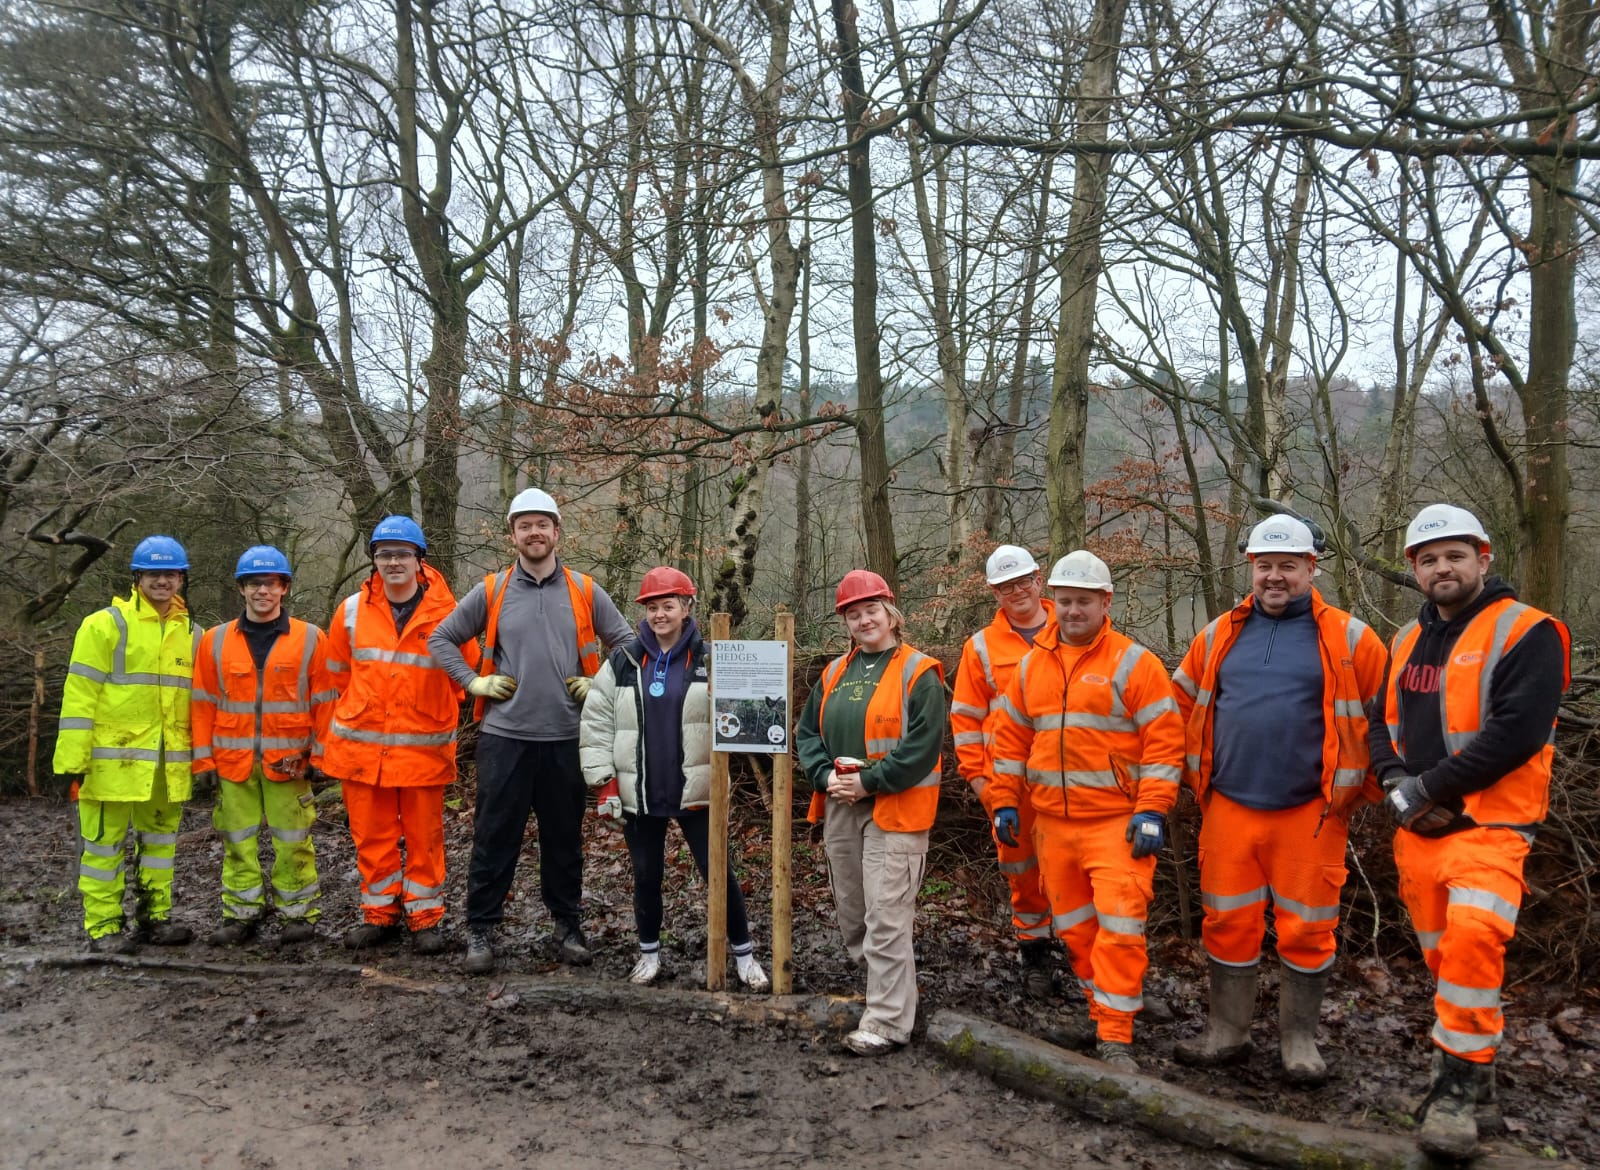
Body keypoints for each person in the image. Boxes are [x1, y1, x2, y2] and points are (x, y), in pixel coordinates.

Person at [1369, 504, 1569, 1159]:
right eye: (1428, 559)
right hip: (1419, 830)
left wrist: (1426, 789)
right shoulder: (1404, 640)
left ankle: (1452, 1094)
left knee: (1474, 946)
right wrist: (1396, 781)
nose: (1441, 567)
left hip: (1491, 825)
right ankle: (1476, 1081)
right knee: (1446, 964)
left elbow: (1517, 732)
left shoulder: (1527, 631)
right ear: (1415, 570)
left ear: (1483, 557)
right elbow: (1380, 721)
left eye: (1454, 555)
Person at [1169, 515, 1388, 1085]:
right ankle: (1228, 1032)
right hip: (1228, 807)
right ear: (1251, 568)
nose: (1274, 577)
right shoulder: (1218, 634)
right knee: (1227, 922)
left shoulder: (1350, 637)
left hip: (1310, 814)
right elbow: (1172, 708)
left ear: (1311, 568)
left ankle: (1298, 1040)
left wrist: (1356, 793)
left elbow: (1388, 721)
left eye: (1287, 566)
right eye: (1264, 566)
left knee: (1309, 928)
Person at [986, 551, 1184, 1072]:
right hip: (1052, 825)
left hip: (1116, 824)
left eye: (1084, 601)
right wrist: (1004, 799)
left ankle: (1115, 1037)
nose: (1073, 611)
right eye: (1067, 601)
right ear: (1056, 602)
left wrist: (1152, 811)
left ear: (1105, 602)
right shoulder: (1033, 665)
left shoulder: (1134, 663)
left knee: (1119, 930)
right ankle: (1103, 1013)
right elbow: (1008, 739)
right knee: (1076, 930)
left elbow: (1164, 745)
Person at [429, 488, 631, 974]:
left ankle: (567, 926)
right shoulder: (492, 590)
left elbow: (627, 641)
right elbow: (441, 638)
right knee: (494, 834)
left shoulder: (584, 589)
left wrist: (602, 681)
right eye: (524, 525)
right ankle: (481, 928)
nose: (534, 532)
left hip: (568, 736)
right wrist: (473, 680)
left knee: (564, 839)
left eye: (543, 524)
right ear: (512, 535)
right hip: (505, 737)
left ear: (557, 533)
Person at [577, 566, 770, 991]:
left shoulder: (712, 658)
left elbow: (747, 719)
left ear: (687, 607)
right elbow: (595, 724)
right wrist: (603, 781)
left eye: (669, 605)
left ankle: (744, 956)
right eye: (652, 607)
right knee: (646, 874)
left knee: (717, 871)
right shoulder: (624, 661)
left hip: (696, 788)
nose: (660, 614)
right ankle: (648, 954)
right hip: (639, 791)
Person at [796, 570, 944, 1056]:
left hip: (895, 808)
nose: (864, 620)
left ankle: (887, 1022)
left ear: (890, 613)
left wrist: (870, 782)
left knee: (887, 916)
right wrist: (824, 777)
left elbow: (921, 747)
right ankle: (893, 994)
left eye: (871, 611)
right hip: (841, 804)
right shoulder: (835, 672)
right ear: (846, 622)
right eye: (853, 614)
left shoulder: (919, 672)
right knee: (854, 915)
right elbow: (807, 734)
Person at [323, 516, 479, 955]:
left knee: (425, 837)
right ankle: (379, 914)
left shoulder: (449, 614)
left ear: (419, 560)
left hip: (422, 750)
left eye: (402, 554)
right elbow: (337, 675)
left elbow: (463, 674)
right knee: (372, 836)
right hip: (361, 749)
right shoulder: (351, 611)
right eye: (384, 554)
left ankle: (424, 918)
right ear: (373, 561)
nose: (393, 562)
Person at [54, 535, 199, 953]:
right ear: (137, 578)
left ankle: (155, 919)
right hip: (109, 763)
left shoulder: (191, 632)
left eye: (170, 574)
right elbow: (80, 695)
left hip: (165, 762)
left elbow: (197, 702)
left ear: (181, 579)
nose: (162, 582)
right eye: (154, 574)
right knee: (104, 847)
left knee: (159, 845)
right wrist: (73, 759)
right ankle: (103, 927)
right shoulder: (104, 625)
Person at [192, 546, 337, 945]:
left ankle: (299, 914)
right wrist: (202, 762)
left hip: (289, 763)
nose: (262, 591)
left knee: (294, 841)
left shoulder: (310, 638)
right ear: (242, 589)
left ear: (284, 588)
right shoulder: (215, 641)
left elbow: (325, 702)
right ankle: (241, 914)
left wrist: (321, 757)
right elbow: (202, 703)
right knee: (237, 842)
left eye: (270, 584)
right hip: (232, 762)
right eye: (254, 584)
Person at [951, 544, 1059, 998]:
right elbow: (966, 720)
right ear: (994, 592)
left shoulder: (1073, 624)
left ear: (1039, 579)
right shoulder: (980, 647)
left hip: (1076, 783)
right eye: (1005, 586)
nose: (1017, 591)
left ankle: (1098, 963)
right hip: (1010, 789)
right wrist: (983, 785)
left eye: (1023, 581)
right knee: (1023, 873)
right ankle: (1037, 955)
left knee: (1088, 874)